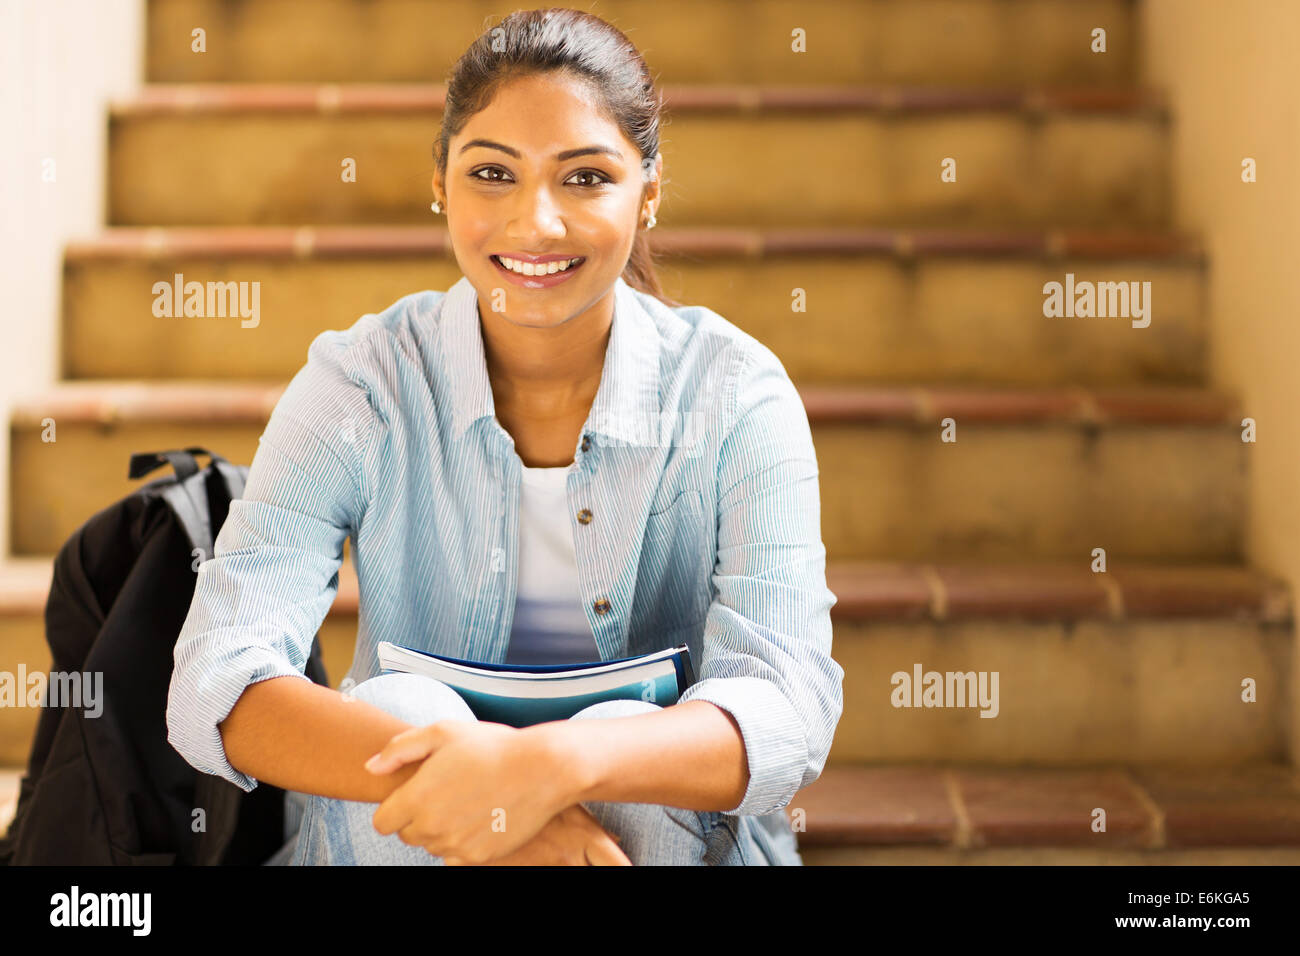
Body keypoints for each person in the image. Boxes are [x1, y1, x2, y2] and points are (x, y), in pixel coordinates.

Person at [165, 7, 843, 866]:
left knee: (629, 744)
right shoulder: (362, 385)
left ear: (651, 191)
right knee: (407, 713)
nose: (536, 224)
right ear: (441, 183)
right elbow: (215, 678)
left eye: (586, 178)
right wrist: (495, 812)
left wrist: (552, 765)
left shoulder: (734, 394)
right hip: (405, 841)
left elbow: (789, 707)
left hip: (659, 839)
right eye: (493, 173)